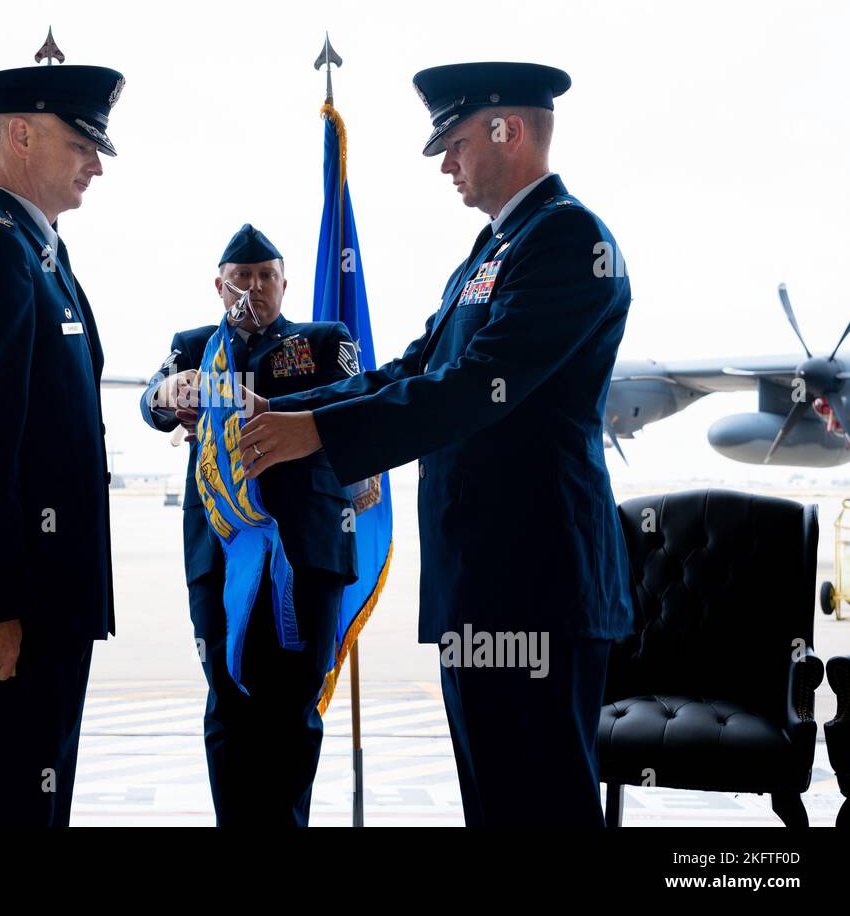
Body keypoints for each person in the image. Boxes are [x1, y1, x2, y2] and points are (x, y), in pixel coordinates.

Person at [235, 62, 635, 826]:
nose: (446, 163)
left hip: (537, 587)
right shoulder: (491, 253)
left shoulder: (569, 243)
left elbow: (471, 389)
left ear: (506, 131)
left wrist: (312, 433)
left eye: (452, 144)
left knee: (541, 809)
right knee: (494, 808)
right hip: (479, 583)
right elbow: (413, 369)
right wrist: (288, 406)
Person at [0, 46, 125, 826]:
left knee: (33, 802)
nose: (95, 168)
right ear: (20, 139)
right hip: (17, 604)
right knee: (0, 804)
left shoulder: (38, 252)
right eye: (81, 147)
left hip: (50, 596)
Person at [141, 224, 359, 826]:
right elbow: (151, 406)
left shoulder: (323, 343)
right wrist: (169, 394)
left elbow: (352, 409)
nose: (254, 289)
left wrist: (267, 410)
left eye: (267, 277)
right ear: (219, 285)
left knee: (293, 709)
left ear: (285, 284)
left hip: (305, 552)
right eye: (242, 278)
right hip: (221, 551)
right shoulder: (194, 349)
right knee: (228, 702)